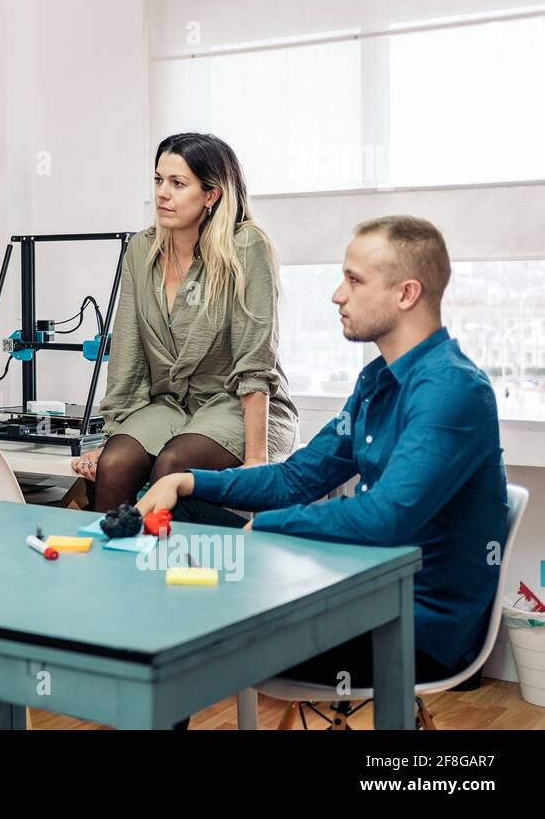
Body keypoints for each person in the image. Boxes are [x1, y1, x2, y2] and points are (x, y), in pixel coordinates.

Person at [139, 215, 508, 688]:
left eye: (354, 280)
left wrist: (269, 527)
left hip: (410, 626)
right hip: (351, 588)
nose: (337, 294)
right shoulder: (377, 380)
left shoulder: (452, 390)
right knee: (187, 510)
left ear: (406, 294)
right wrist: (187, 480)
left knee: (181, 641)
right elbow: (297, 478)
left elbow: (385, 519)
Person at [72, 133, 299, 513]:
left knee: (173, 465)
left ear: (212, 195)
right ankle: (114, 570)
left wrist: (256, 460)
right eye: (159, 180)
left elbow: (255, 361)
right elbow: (127, 353)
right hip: (172, 405)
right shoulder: (141, 250)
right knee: (114, 464)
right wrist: (110, 437)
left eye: (178, 184)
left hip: (234, 404)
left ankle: (170, 570)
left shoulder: (246, 247)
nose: (163, 193)